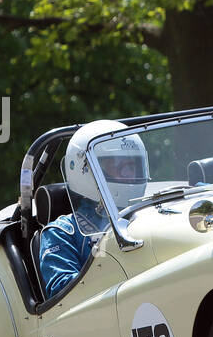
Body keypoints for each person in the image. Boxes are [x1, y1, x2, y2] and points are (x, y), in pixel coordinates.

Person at [38, 120, 150, 300]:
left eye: (132, 166)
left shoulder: (150, 212)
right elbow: (64, 292)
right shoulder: (62, 232)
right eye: (119, 166)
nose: (129, 174)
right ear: (85, 170)